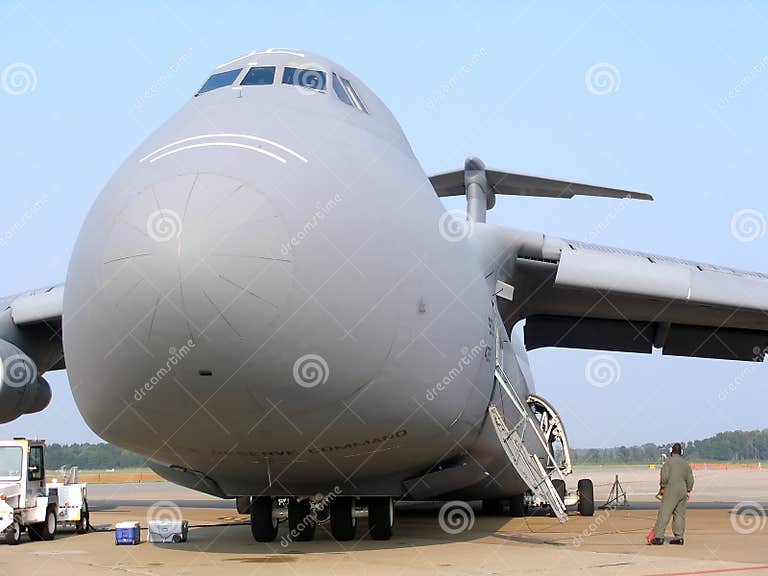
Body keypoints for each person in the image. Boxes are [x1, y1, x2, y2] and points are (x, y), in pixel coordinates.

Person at [648, 443, 694, 545]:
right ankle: (679, 537)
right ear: (681, 452)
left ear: (671, 451)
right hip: (683, 490)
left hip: (671, 489)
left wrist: (662, 487)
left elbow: (664, 476)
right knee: (679, 514)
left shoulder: (668, 463)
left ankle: (659, 537)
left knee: (664, 513)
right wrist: (688, 490)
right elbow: (690, 479)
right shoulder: (686, 464)